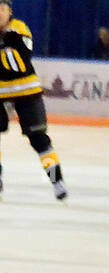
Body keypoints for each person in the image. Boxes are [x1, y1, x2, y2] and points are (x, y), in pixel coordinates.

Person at [0, 2, 65, 199]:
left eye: (1, 9)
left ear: (9, 11)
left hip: (27, 92)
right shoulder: (12, 36)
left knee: (40, 140)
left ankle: (57, 181)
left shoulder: (20, 29)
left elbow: (19, 64)